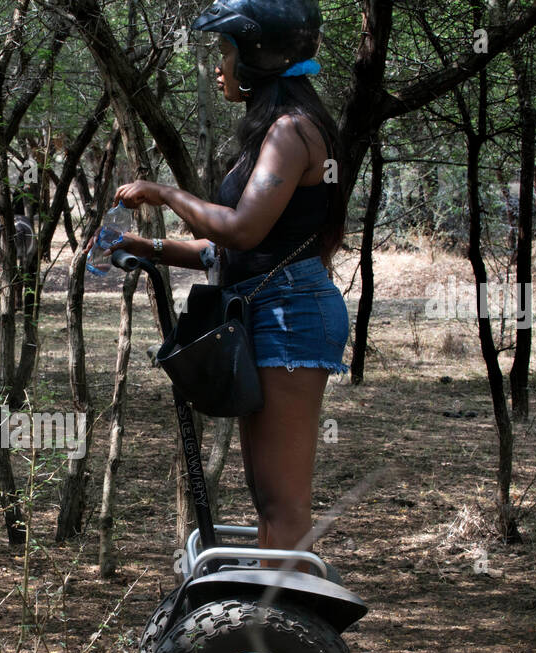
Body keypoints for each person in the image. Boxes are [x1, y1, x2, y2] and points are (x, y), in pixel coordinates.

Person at [107, 0, 347, 570]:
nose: (220, 66)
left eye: (227, 51)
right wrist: (150, 248)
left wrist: (165, 194)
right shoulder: (276, 129)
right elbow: (237, 248)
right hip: (267, 305)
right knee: (265, 497)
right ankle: (264, 623)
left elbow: (242, 229)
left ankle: (281, 632)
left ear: (258, 56)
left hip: (292, 314)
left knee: (282, 502)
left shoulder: (293, 131)